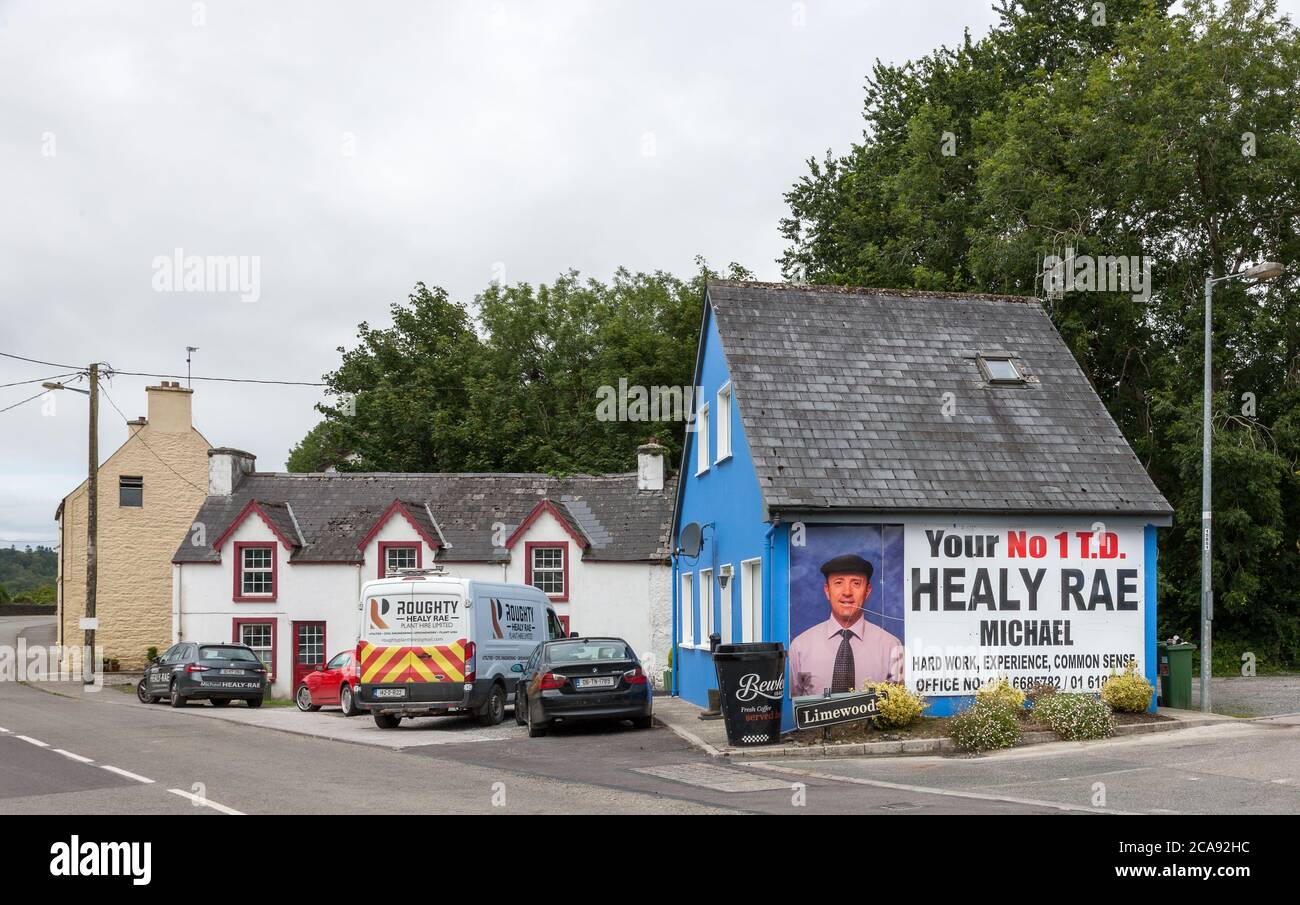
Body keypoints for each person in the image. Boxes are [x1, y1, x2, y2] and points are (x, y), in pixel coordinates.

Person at [789, 553, 904, 696]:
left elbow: (897, 708)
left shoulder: (891, 646)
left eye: (856, 583)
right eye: (838, 583)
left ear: (867, 591)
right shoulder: (800, 647)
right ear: (827, 590)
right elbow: (794, 707)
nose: (847, 592)